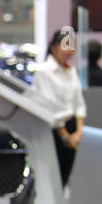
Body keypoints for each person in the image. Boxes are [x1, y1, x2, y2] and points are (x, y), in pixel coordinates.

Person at [34, 27, 88, 185]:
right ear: (54, 47)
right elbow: (48, 106)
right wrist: (64, 136)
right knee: (53, 177)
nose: (69, 50)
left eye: (72, 46)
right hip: (53, 130)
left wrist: (78, 132)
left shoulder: (71, 71)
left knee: (65, 175)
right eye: (65, 45)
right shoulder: (43, 71)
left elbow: (79, 104)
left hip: (71, 128)